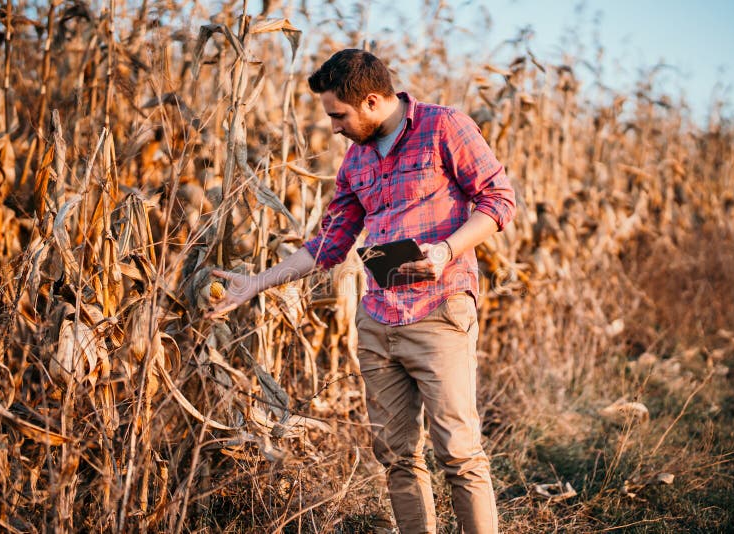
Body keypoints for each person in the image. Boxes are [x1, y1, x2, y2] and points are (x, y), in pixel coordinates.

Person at [209, 49, 515, 533]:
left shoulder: (443, 127)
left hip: (440, 311)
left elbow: (499, 199)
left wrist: (445, 250)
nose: (333, 127)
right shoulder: (355, 161)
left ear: (372, 102)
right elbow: (329, 245)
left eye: (338, 114)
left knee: (459, 454)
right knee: (396, 457)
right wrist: (257, 283)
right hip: (377, 320)